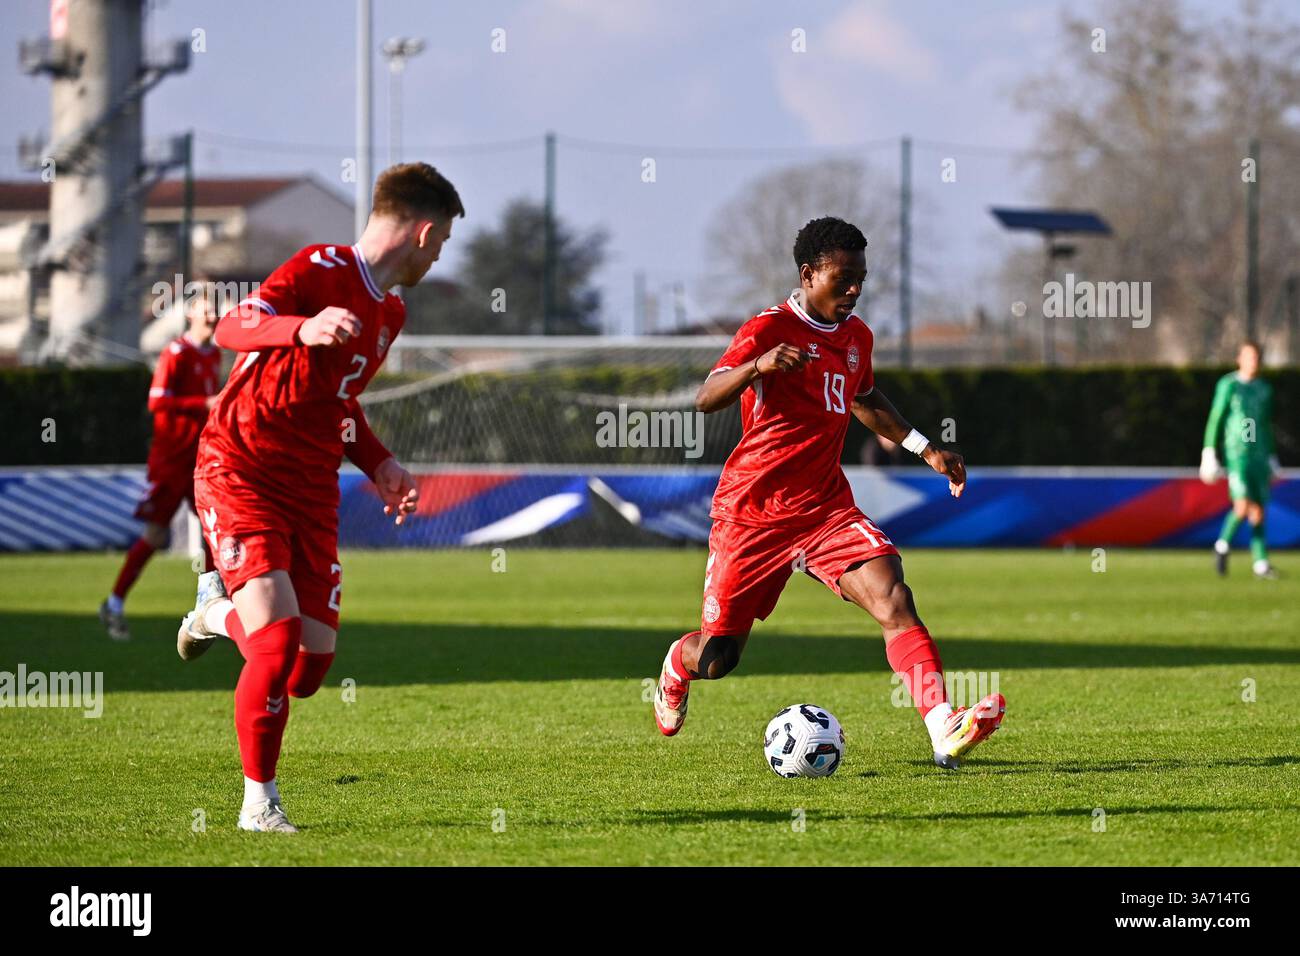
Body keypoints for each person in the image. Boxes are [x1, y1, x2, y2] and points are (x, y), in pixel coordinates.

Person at [651, 217, 1005, 770]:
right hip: (753, 514)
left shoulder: (857, 337)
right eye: (844, 278)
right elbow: (706, 396)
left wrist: (925, 448)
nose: (855, 289)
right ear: (808, 274)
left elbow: (865, 399)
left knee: (894, 598)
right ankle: (678, 663)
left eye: (861, 278)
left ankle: (943, 728)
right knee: (718, 659)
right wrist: (758, 365)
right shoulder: (768, 328)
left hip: (824, 510)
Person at [175, 162, 464, 832]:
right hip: (240, 469)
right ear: (424, 232)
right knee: (274, 646)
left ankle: (215, 614)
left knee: (306, 670)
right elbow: (235, 326)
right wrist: (298, 327)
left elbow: (340, 403)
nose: (439, 256)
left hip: (310, 489)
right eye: (443, 242)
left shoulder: (391, 313)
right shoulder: (320, 266)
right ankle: (259, 806)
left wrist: (379, 461)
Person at [99, 290, 221, 640]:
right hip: (171, 461)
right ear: (191, 314)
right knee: (155, 534)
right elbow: (157, 400)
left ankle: (211, 605)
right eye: (206, 309)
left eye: (215, 309)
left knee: (214, 531)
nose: (212, 316)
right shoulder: (176, 353)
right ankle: (114, 602)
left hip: (201, 460)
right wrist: (203, 403)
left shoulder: (214, 354)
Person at [1200, 340, 1280, 578]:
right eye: (1249, 357)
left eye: (1256, 357)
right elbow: (1216, 417)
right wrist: (1209, 451)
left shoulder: (1264, 388)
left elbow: (1265, 424)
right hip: (1237, 455)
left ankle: (1260, 563)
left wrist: (1271, 455)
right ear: (1239, 359)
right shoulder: (1229, 385)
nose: (1253, 362)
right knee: (1243, 505)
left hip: (1259, 456)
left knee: (1259, 510)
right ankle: (1222, 545)